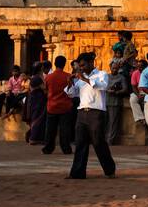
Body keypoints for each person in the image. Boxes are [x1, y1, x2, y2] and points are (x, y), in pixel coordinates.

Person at [67, 52, 116, 180]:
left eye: (83, 65)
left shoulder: (102, 74)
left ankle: (109, 169)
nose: (81, 68)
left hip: (97, 112)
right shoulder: (79, 78)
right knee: (80, 143)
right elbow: (72, 94)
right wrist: (70, 83)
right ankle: (77, 172)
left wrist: (84, 79)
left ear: (91, 63)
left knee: (98, 142)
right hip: (82, 112)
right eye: (80, 66)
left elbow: (103, 86)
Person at [42, 56, 75, 155]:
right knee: (65, 129)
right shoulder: (68, 76)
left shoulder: (49, 77)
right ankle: (66, 148)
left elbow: (45, 90)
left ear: (55, 64)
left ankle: (48, 147)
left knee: (50, 129)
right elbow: (71, 91)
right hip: (65, 106)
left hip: (52, 105)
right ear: (64, 64)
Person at [105, 58, 131, 145]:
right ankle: (103, 139)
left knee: (113, 122)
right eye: (113, 68)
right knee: (105, 122)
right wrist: (107, 90)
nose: (114, 70)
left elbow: (125, 89)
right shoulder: (106, 76)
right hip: (105, 101)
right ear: (110, 68)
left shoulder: (121, 77)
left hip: (115, 102)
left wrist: (116, 92)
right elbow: (102, 87)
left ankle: (110, 141)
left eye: (116, 68)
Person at [23, 72, 47, 144]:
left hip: (33, 101)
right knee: (37, 120)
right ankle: (33, 138)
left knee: (34, 121)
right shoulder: (37, 79)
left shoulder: (33, 79)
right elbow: (44, 88)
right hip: (38, 102)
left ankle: (33, 137)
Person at [129, 57, 148, 124]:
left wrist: (146, 94)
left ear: (146, 66)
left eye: (142, 67)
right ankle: (141, 118)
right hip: (139, 91)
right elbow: (133, 86)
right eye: (138, 67)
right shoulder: (135, 73)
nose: (140, 68)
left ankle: (147, 118)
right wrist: (138, 95)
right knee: (133, 99)